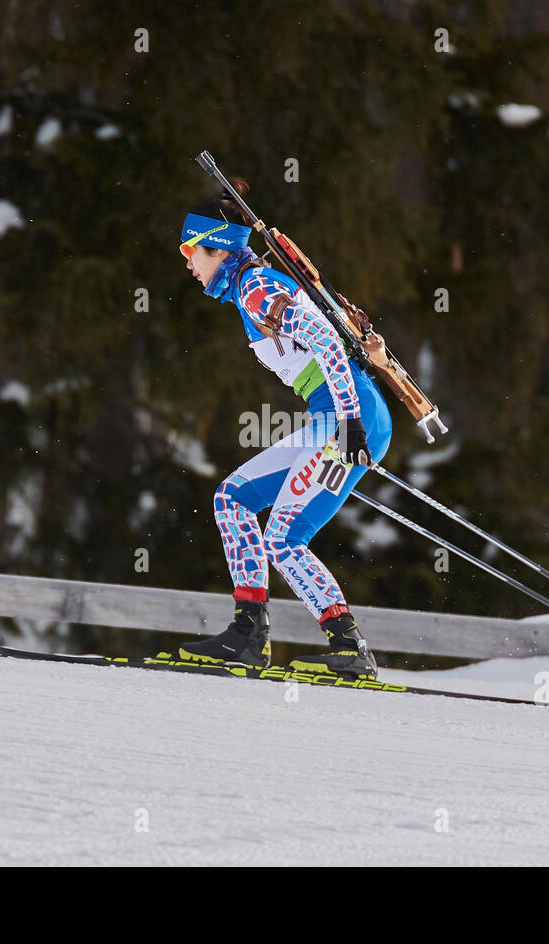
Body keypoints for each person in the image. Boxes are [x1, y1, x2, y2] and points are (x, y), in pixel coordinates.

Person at [175, 176, 393, 678]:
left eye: (191, 250)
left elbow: (327, 345)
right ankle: (248, 633)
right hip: (334, 416)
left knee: (284, 538)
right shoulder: (247, 288)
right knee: (232, 500)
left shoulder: (255, 289)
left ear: (220, 248)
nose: (187, 262)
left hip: (350, 416)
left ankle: (349, 649)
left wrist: (352, 425)